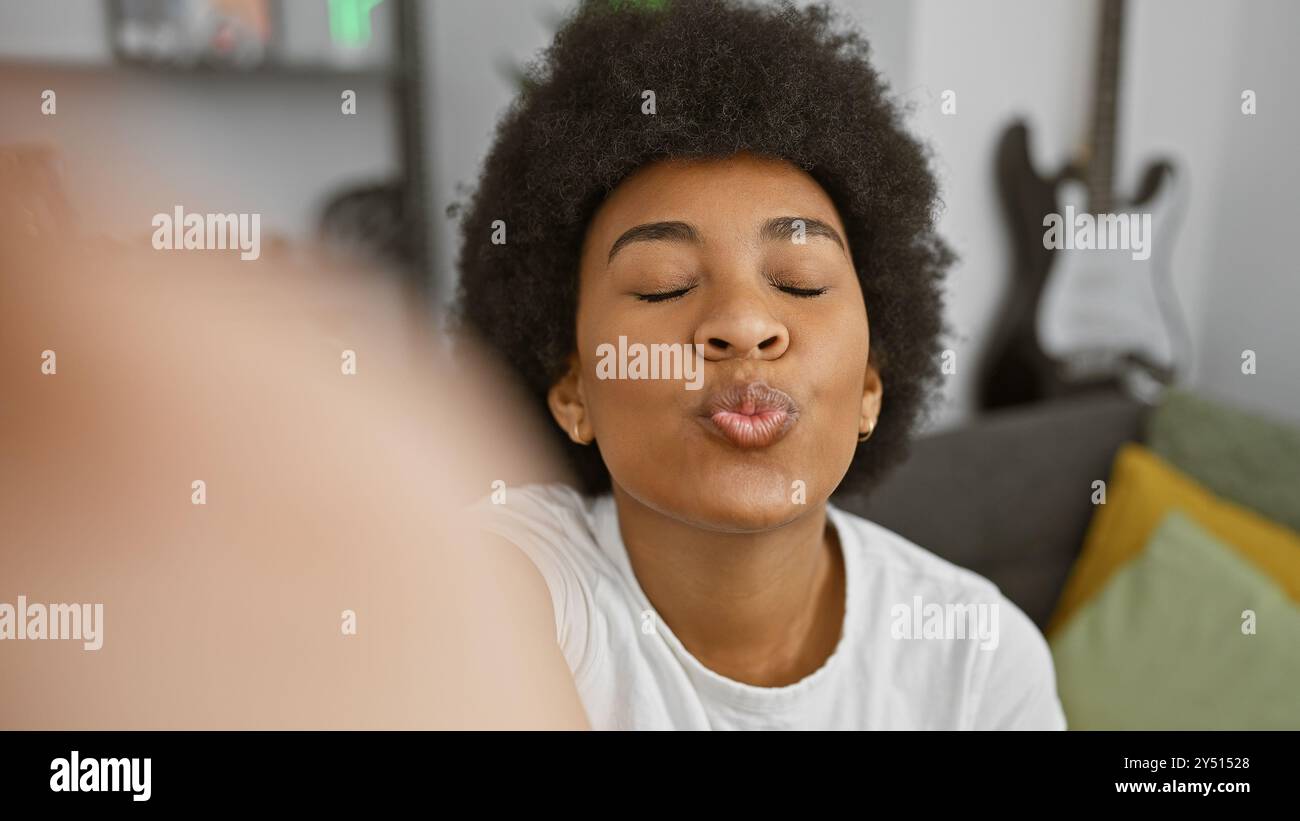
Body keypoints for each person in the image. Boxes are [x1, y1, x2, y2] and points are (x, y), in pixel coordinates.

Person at [454, 0, 1068, 729]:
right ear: (573, 388)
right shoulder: (499, 583)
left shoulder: (977, 659)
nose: (744, 326)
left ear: (872, 384)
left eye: (802, 281)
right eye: (665, 284)